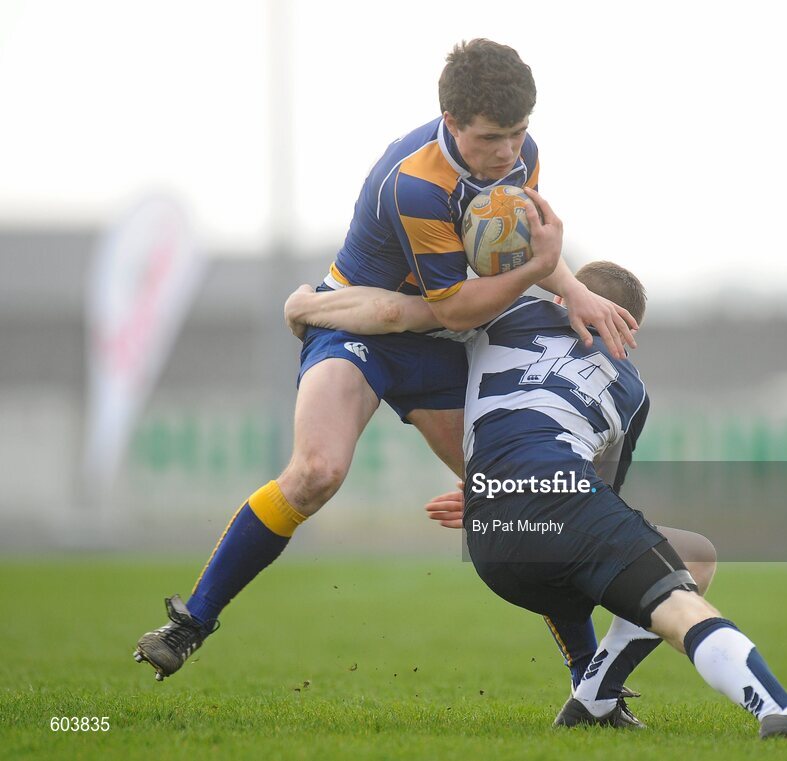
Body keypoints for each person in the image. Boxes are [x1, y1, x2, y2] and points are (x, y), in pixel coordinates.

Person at [133, 39, 637, 681]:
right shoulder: (417, 184)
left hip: (429, 336)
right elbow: (458, 307)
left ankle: (593, 688)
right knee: (317, 471)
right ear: (451, 122)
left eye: (519, 134)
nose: (509, 153)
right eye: (491, 138)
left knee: (517, 496)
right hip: (359, 333)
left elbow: (514, 261)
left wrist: (572, 288)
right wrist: (549, 275)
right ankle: (190, 623)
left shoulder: (521, 155)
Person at [284, 262, 787, 742]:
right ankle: (778, 709)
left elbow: (395, 313)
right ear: (620, 321)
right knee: (679, 584)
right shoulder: (632, 387)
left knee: (672, 554)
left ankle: (593, 698)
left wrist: (310, 305)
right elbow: (594, 498)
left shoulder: (504, 317)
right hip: (560, 504)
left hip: (492, 543)